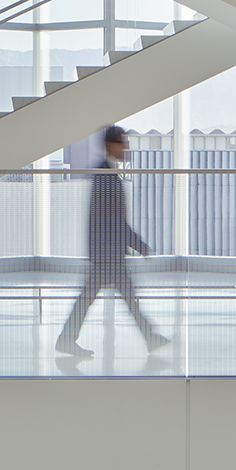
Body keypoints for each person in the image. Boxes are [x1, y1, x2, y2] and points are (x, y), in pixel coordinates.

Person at [56, 125, 169, 358]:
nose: (125, 147)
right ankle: (150, 338)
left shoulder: (106, 173)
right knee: (116, 298)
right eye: (122, 142)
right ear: (111, 145)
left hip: (106, 251)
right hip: (107, 253)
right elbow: (113, 220)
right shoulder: (106, 175)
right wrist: (140, 245)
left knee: (113, 298)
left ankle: (150, 338)